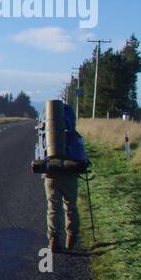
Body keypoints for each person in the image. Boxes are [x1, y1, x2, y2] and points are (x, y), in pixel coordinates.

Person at [34, 101, 88, 252]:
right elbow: (81, 155)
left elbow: (39, 153)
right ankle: (71, 238)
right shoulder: (72, 135)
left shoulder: (45, 132)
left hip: (51, 173)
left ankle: (53, 239)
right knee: (70, 207)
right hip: (69, 173)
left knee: (52, 207)